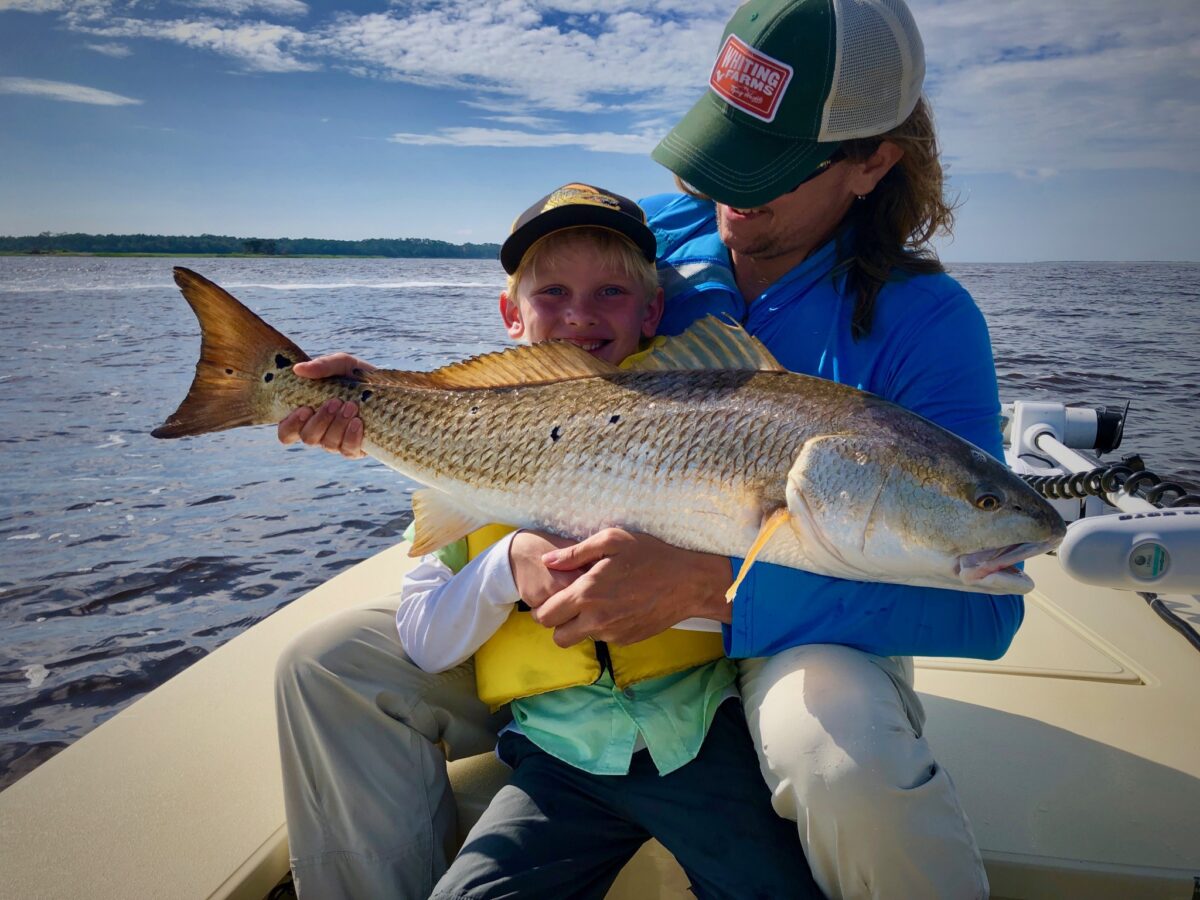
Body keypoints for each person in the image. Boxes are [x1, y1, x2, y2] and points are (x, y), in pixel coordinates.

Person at [276, 1, 1011, 897]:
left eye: (767, 165)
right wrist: (372, 395)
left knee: (837, 754)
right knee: (323, 669)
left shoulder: (927, 321)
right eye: (722, 149)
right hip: (573, 608)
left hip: (798, 617)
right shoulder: (657, 238)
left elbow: (984, 608)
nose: (731, 188)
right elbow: (541, 350)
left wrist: (704, 589)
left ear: (871, 162)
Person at [396, 184, 817, 899]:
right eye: (551, 291)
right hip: (556, 760)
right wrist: (505, 565)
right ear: (511, 314)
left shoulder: (708, 421)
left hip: (703, 740)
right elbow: (425, 642)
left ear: (653, 309)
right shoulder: (463, 450)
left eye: (611, 291)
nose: (579, 314)